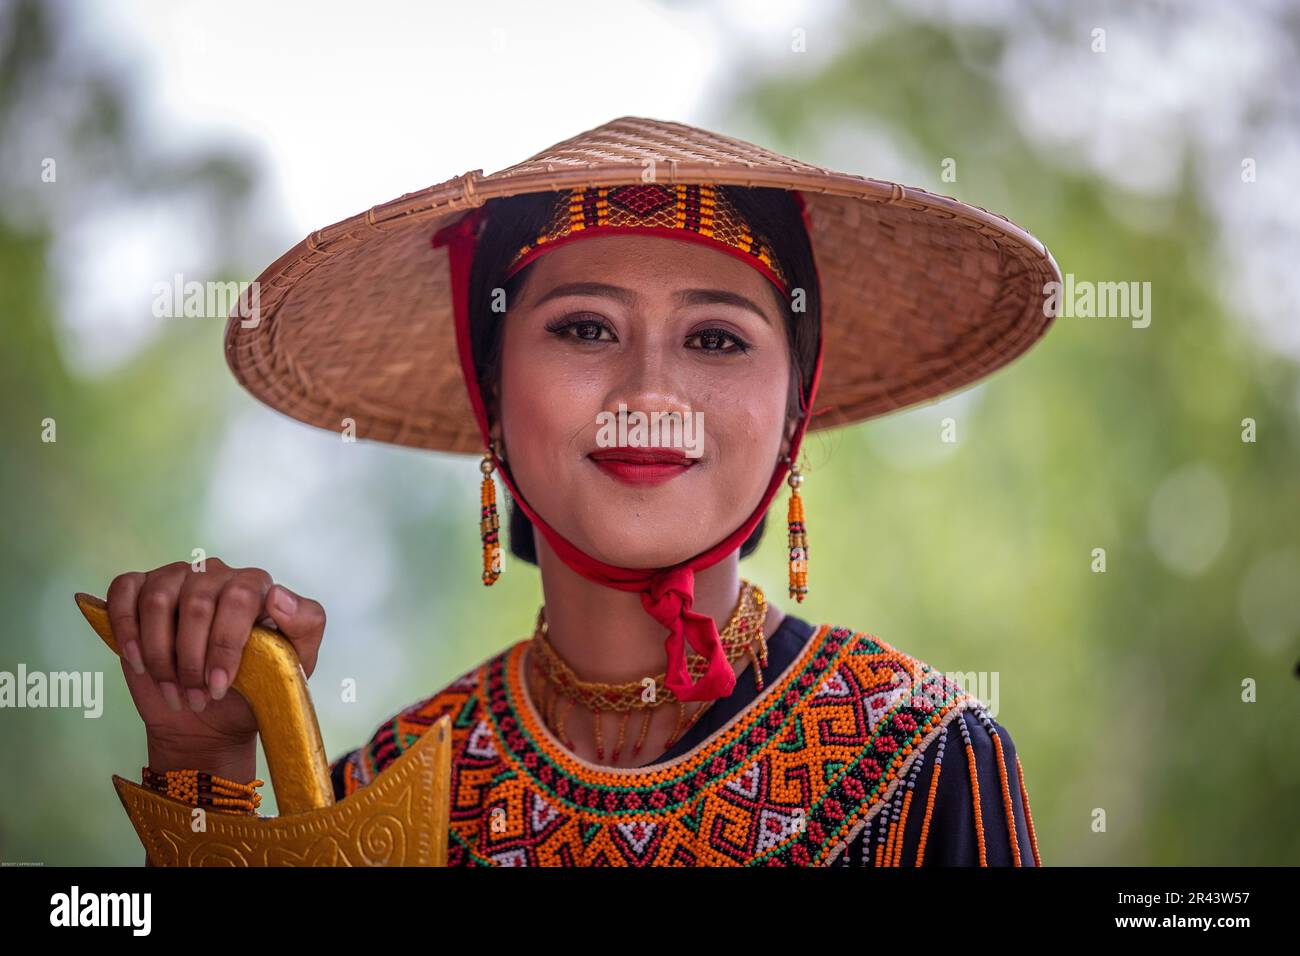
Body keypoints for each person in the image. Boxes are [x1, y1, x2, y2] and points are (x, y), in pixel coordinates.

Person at [106, 116, 1057, 866]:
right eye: (585, 329)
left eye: (717, 339)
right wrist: (204, 766)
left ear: (793, 410)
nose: (649, 393)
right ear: (490, 392)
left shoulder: (929, 763)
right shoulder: (388, 797)